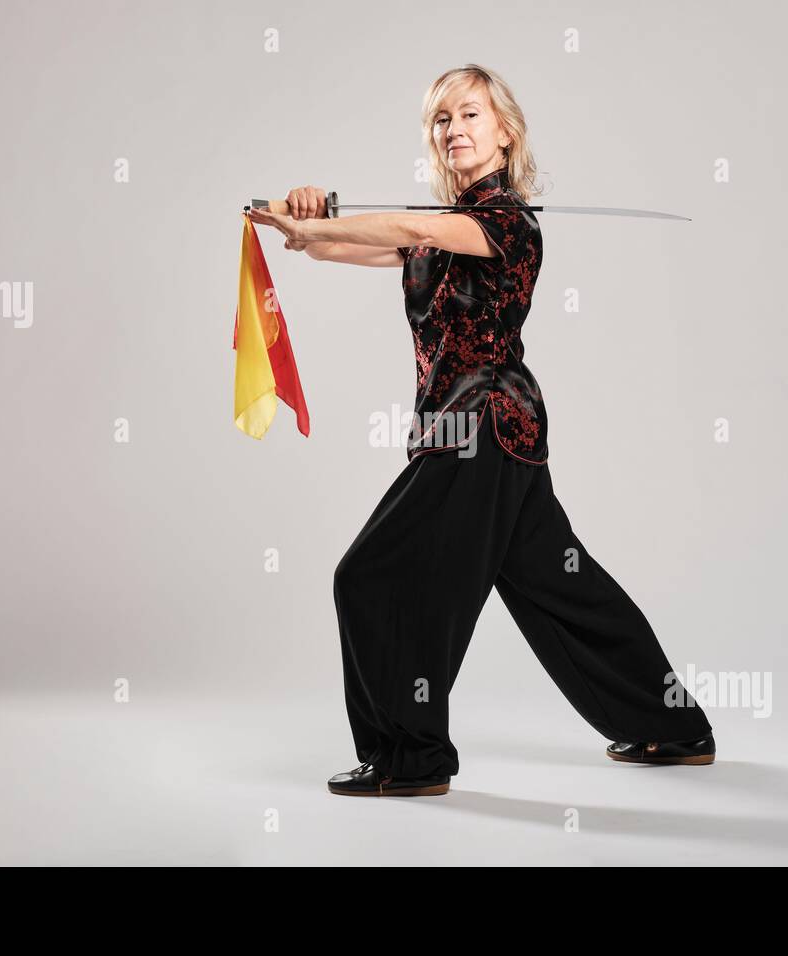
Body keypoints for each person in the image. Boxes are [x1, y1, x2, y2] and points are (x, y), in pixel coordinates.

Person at [246, 64, 714, 798]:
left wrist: (322, 219)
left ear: (505, 132)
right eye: (441, 120)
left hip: (482, 427)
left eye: (469, 115)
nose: (454, 129)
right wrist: (297, 218)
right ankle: (675, 725)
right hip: (495, 435)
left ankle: (412, 757)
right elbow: (338, 245)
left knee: (369, 577)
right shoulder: (440, 233)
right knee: (564, 587)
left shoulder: (506, 223)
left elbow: (405, 227)